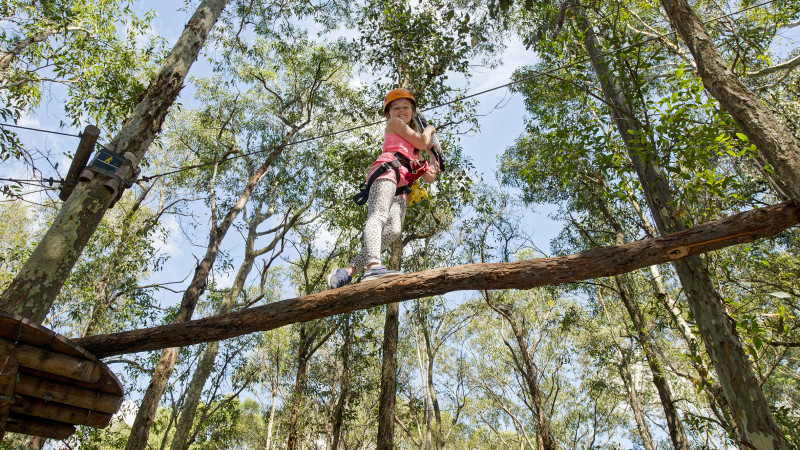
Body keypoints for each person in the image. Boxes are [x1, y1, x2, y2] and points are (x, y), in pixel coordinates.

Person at [327, 88, 438, 289]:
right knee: (378, 216)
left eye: (406, 107)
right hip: (386, 171)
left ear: (412, 111)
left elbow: (429, 176)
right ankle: (373, 267)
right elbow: (422, 140)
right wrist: (429, 131)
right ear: (388, 114)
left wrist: (432, 156)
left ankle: (347, 272)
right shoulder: (394, 124)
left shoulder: (415, 149)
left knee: (394, 230)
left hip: (402, 185)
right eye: (396, 108)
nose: (401, 111)